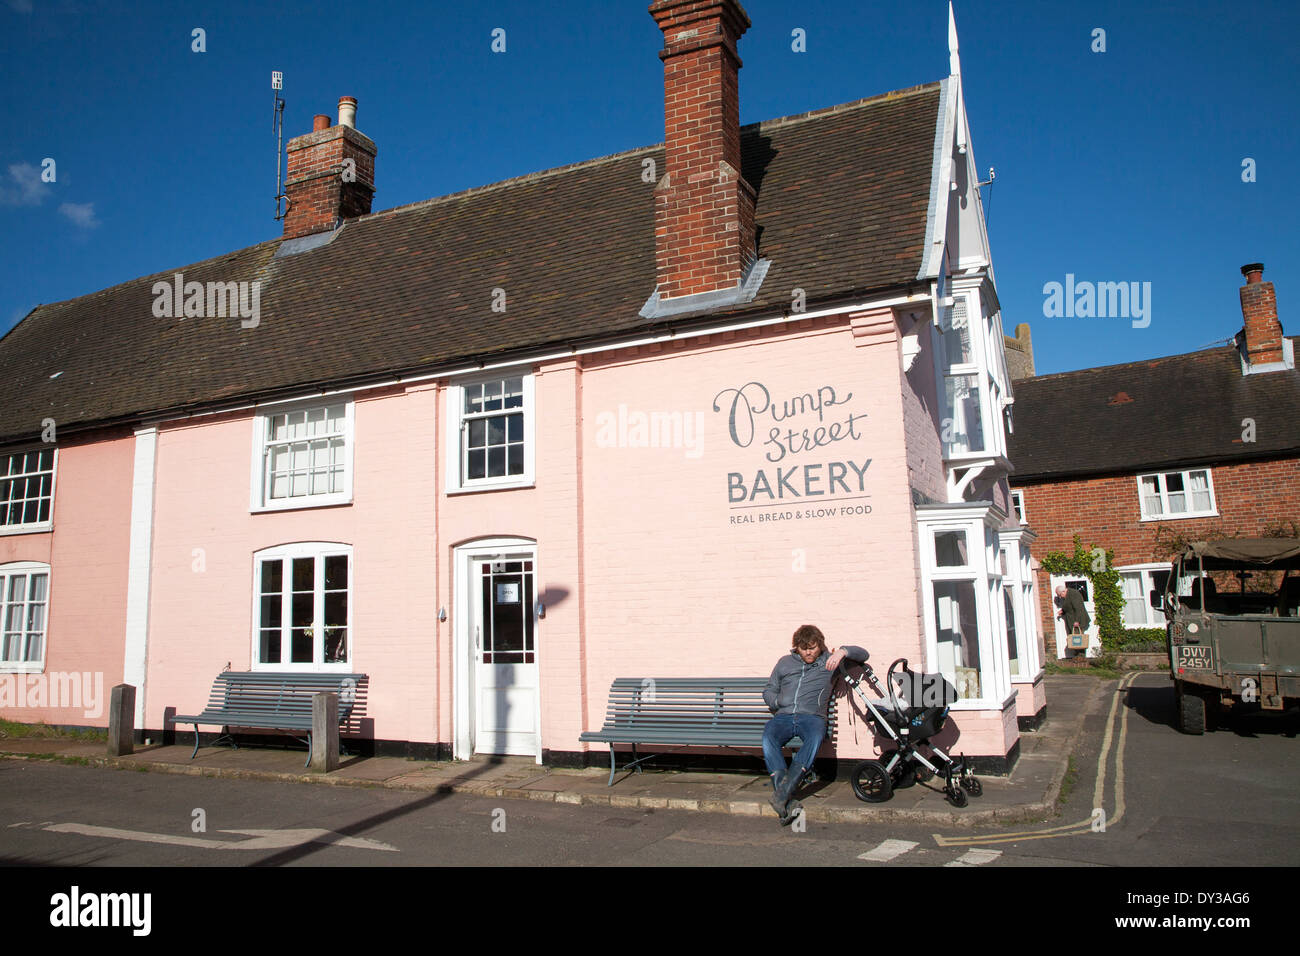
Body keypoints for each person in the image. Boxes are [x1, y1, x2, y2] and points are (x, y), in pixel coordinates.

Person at [762, 624, 868, 824]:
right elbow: (769, 690)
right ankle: (786, 800)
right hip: (783, 716)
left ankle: (782, 795)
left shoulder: (829, 662)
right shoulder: (784, 663)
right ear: (796, 647)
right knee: (769, 736)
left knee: (815, 737)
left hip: (812, 717)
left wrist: (843, 652)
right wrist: (777, 702)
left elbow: (864, 654)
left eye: (812, 647)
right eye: (804, 648)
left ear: (820, 645)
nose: (809, 652)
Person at [1055, 584, 1091, 656]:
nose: (1060, 597)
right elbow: (1069, 607)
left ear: (1063, 592)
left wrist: (1077, 621)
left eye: (1060, 595)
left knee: (1078, 639)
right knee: (1074, 639)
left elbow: (1078, 608)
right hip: (1072, 620)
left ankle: (1081, 657)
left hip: (1078, 620)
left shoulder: (1074, 594)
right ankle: (1077, 656)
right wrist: (1062, 611)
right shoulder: (1067, 595)